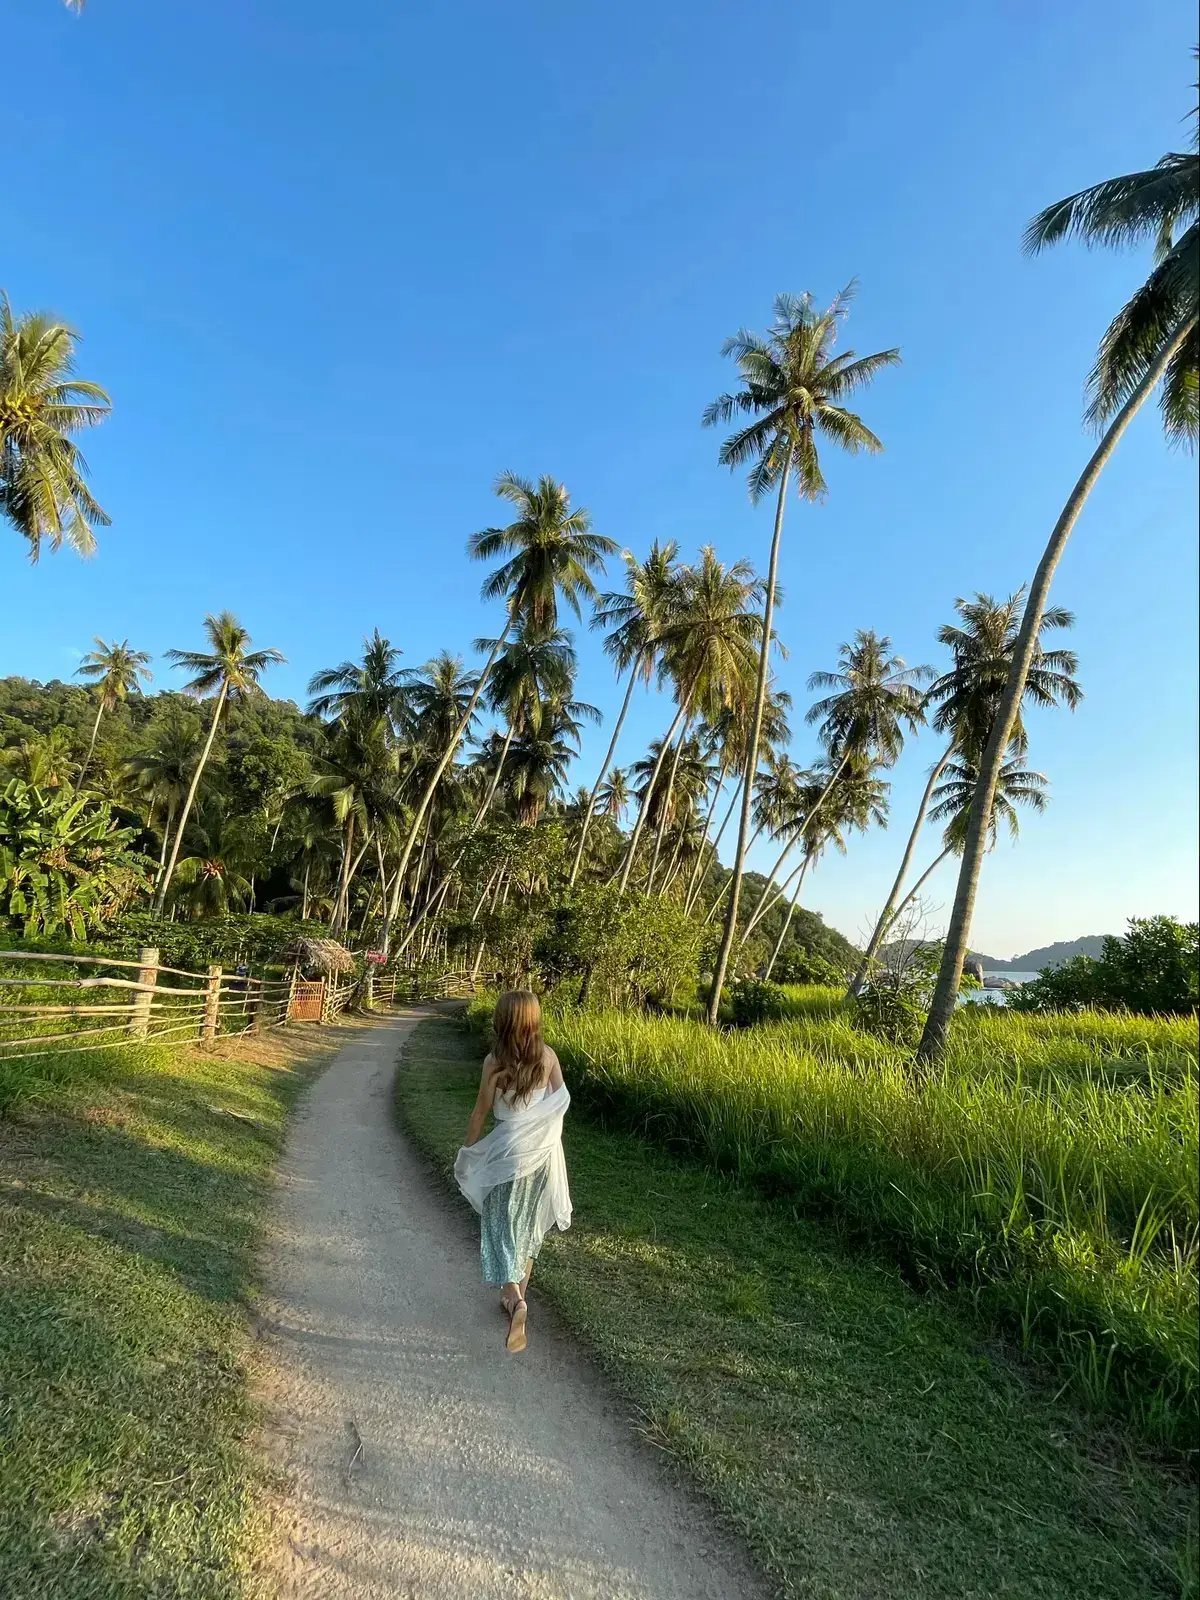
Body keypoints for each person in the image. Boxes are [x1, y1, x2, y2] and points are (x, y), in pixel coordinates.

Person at [453, 990, 572, 1353]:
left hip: (508, 1155)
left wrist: (469, 1153)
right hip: (543, 1155)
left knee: (500, 1223)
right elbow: (562, 1101)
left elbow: (479, 1113)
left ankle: (516, 1299)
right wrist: (543, 1133)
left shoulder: (494, 1062)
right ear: (533, 1020)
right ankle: (515, 1299)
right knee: (529, 1223)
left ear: (502, 1021)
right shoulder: (548, 1056)